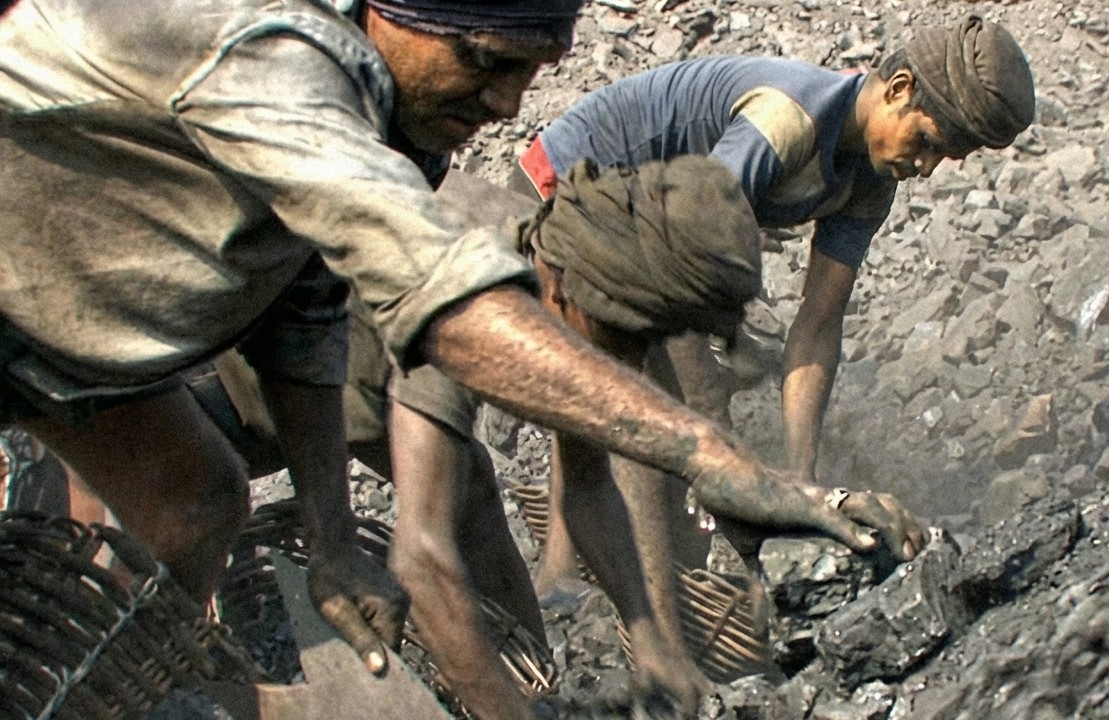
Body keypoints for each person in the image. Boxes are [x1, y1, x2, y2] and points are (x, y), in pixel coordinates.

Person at [0, 1, 925, 718]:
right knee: (131, 538)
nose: (509, 104)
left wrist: (329, 536)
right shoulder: (277, 68)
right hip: (68, 311)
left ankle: (129, 681)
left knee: (199, 504)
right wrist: (709, 455)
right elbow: (430, 553)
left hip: (90, 337)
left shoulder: (392, 129)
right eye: (489, 60)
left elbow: (308, 302)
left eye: (531, 71)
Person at [518, 15, 1037, 594]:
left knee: (679, 413)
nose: (925, 167)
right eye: (926, 143)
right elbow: (681, 257)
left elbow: (817, 325)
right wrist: (728, 441)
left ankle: (638, 572)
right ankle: (576, 584)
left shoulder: (869, 182)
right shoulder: (786, 121)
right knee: (659, 398)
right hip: (572, 188)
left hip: (655, 228)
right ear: (898, 90)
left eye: (944, 159)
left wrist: (802, 483)